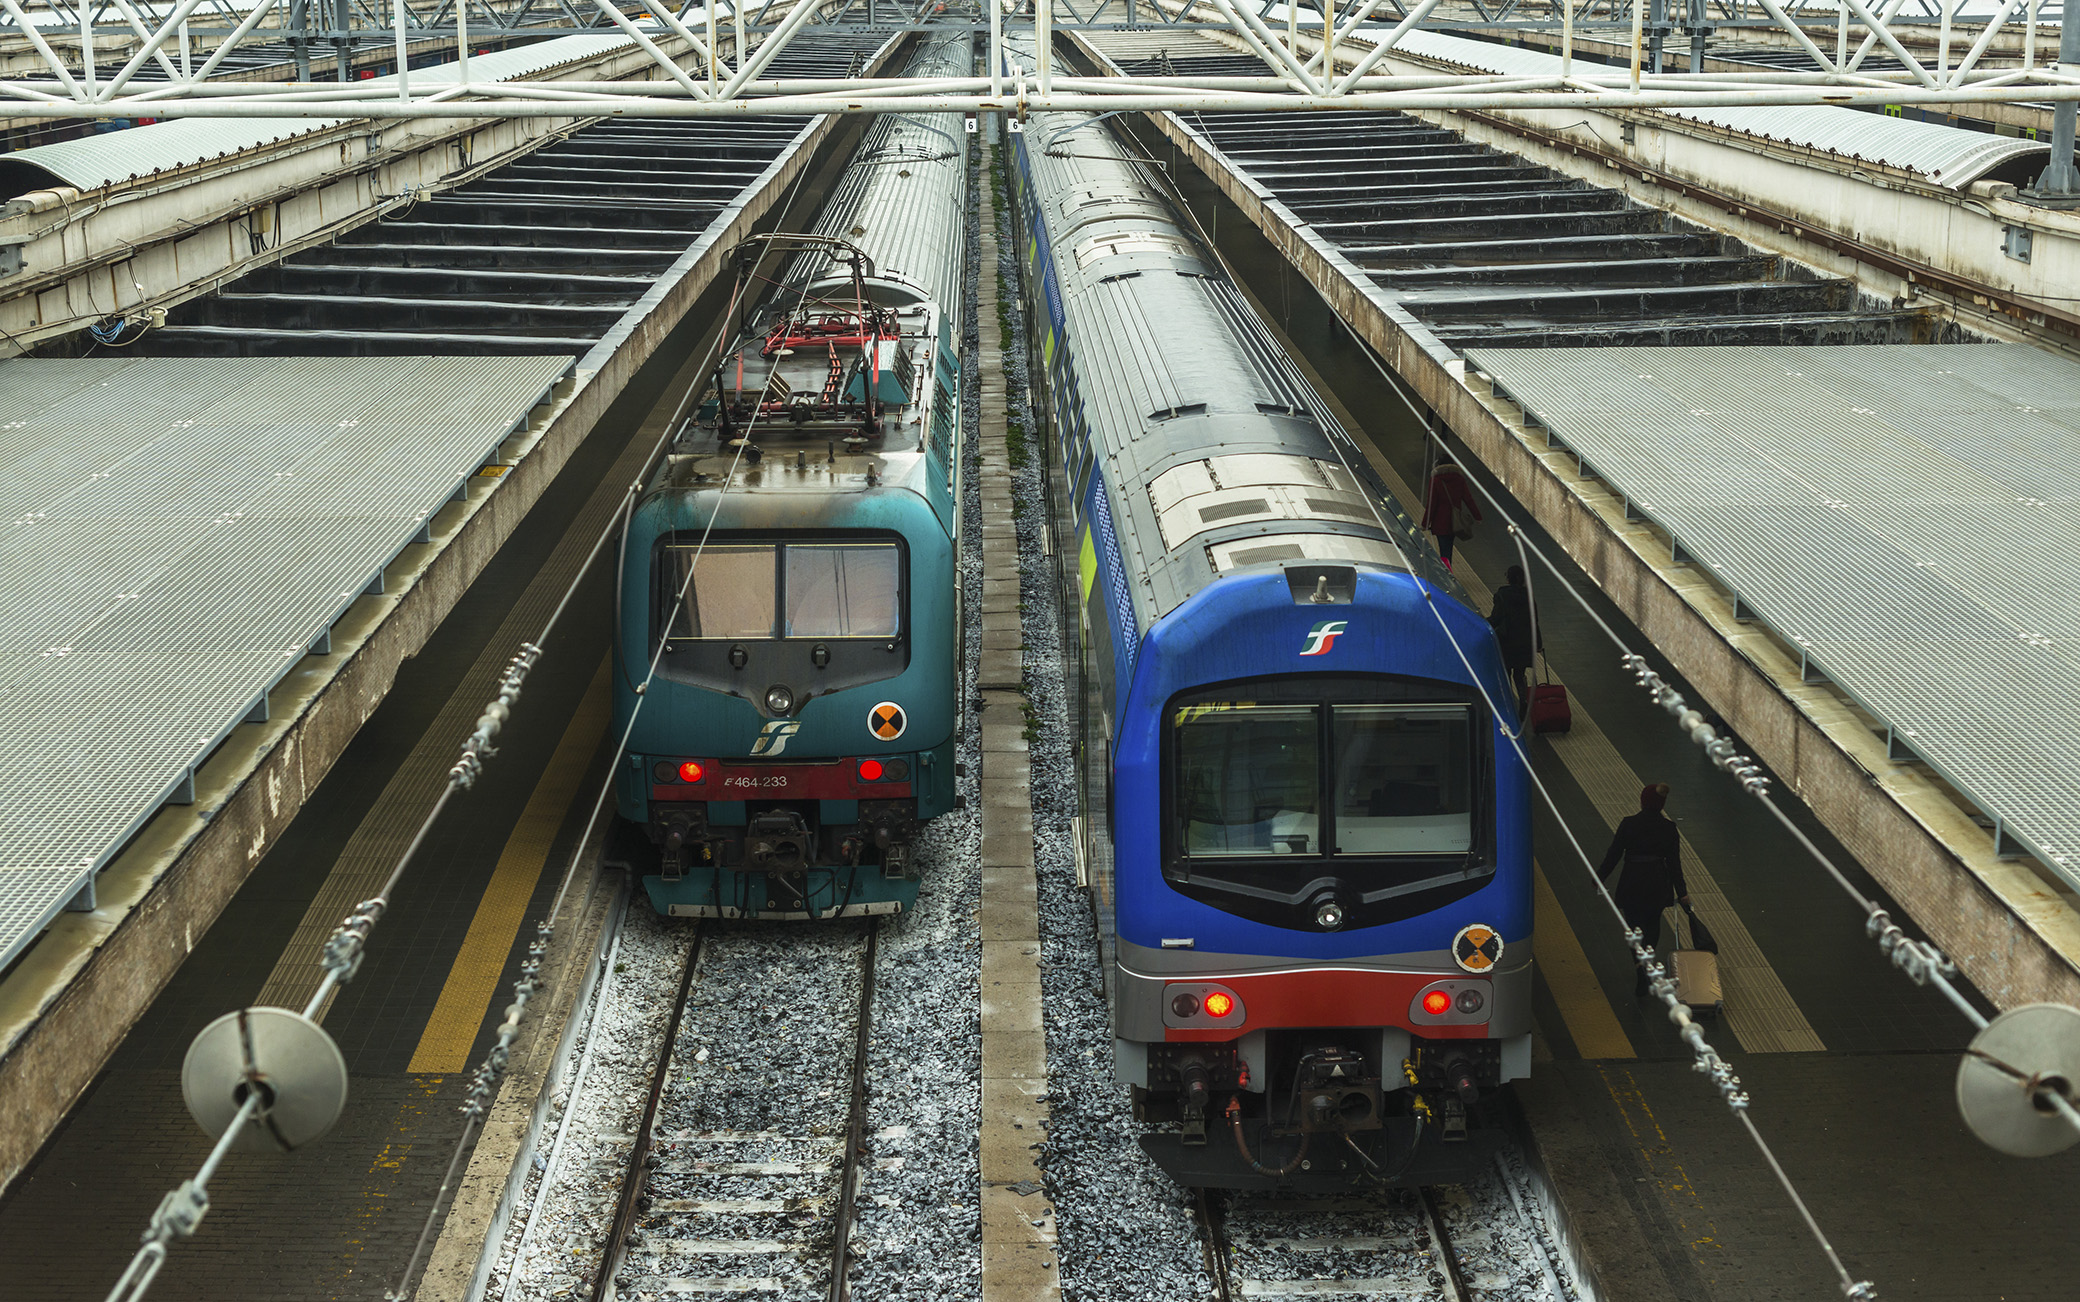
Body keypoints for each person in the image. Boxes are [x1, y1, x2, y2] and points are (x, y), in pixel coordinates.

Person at [1598, 783, 1689, 996]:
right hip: (1657, 883)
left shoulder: (1629, 824)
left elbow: (1614, 854)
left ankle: (1640, 967)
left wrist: (1599, 877)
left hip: (1632, 881)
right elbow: (1675, 864)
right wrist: (1682, 892)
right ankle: (1648, 960)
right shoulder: (1669, 828)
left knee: (1633, 927)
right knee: (1652, 924)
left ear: (1643, 801)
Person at [1486, 564, 1541, 717]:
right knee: (1519, 672)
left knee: (1506, 672)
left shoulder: (1502, 595)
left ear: (1508, 579)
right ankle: (1523, 701)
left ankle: (1508, 702)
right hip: (1524, 642)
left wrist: (1482, 622)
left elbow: (1495, 618)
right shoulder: (1529, 597)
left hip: (1507, 641)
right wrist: (1538, 642)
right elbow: (1534, 620)